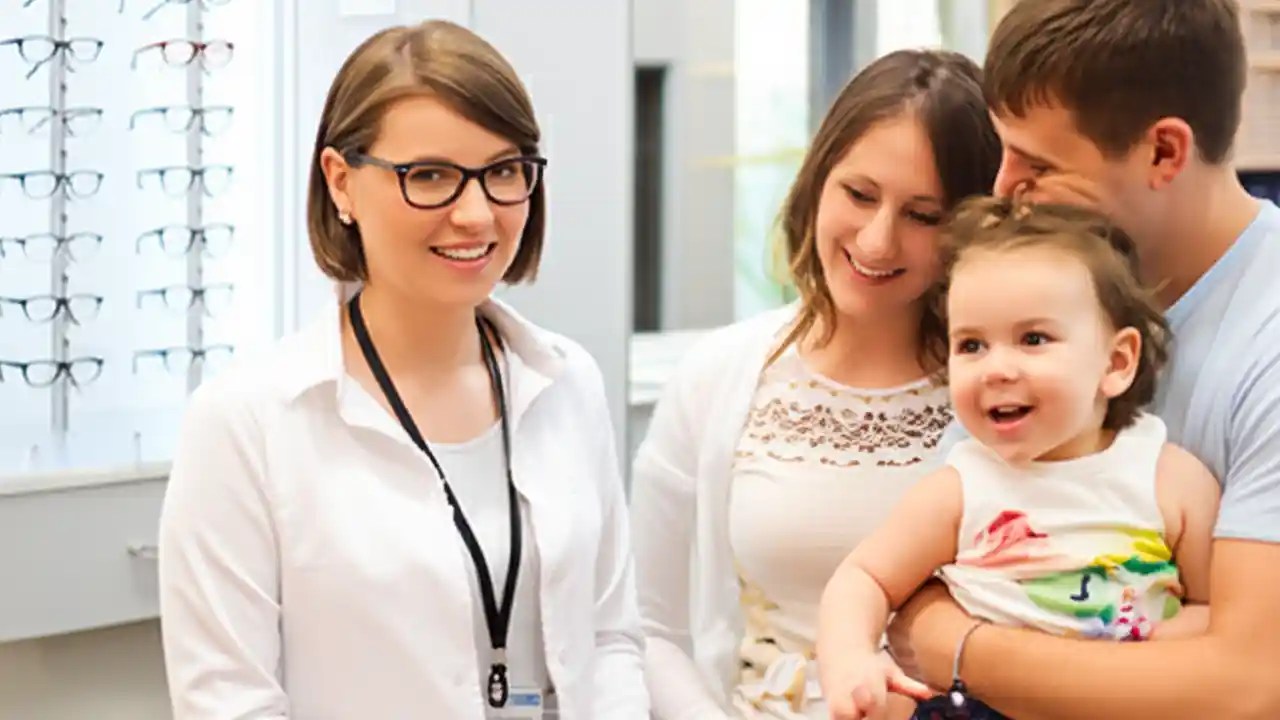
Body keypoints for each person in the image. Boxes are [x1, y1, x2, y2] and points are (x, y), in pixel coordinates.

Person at [157, 21, 648, 719]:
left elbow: (609, 638)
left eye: (503, 172)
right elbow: (229, 701)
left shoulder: (567, 382)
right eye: (430, 176)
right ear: (341, 183)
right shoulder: (248, 421)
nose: (476, 214)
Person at [881, 2, 1280, 718]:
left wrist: (964, 649)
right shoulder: (1030, 294)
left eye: (1037, 164)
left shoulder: (1266, 345)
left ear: (1164, 152)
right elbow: (919, 580)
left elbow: (1248, 684)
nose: (1003, 187)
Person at [629, 49, 1001, 720]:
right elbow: (651, 626)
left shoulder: (1005, 394)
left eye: (923, 215)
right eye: (859, 195)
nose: (878, 241)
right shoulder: (719, 376)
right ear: (817, 179)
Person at [816, 198, 1221, 720]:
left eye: (1033, 339)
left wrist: (1159, 640)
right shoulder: (961, 487)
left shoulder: (1169, 478)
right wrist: (851, 659)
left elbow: (1221, 614)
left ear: (1116, 362)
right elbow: (865, 577)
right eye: (971, 345)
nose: (997, 369)